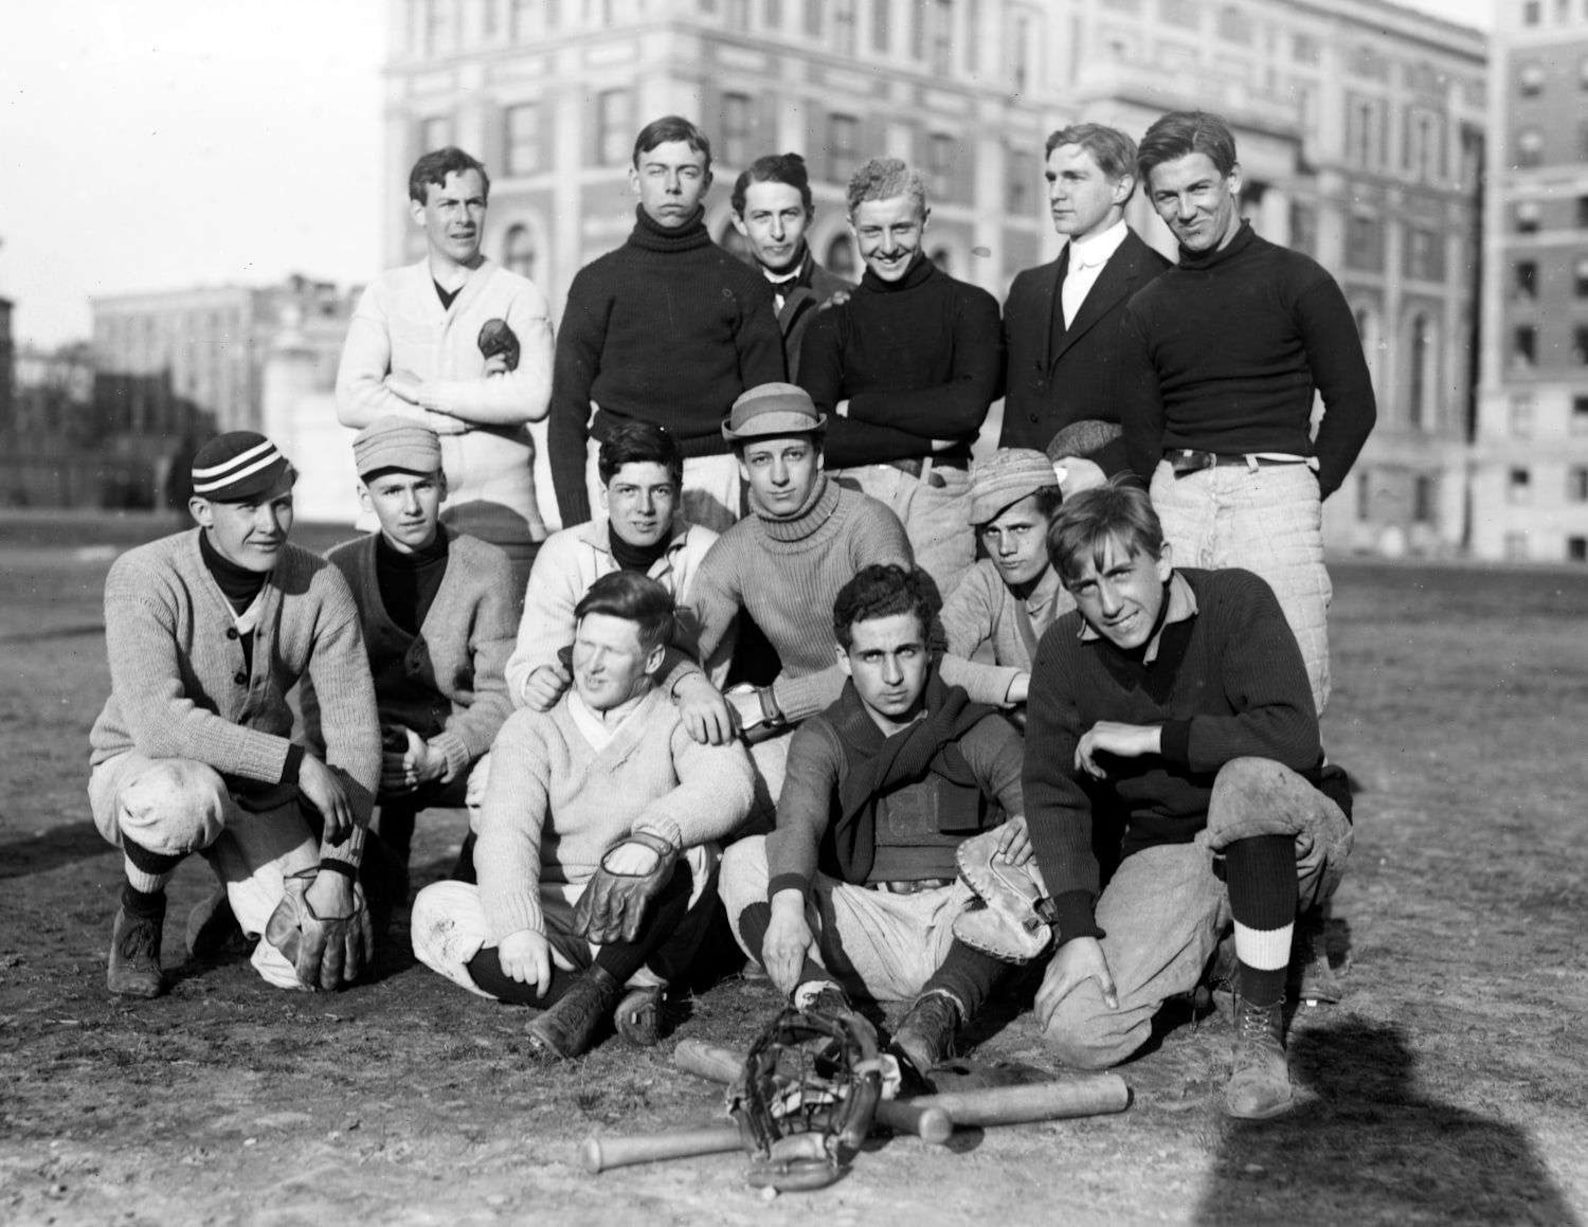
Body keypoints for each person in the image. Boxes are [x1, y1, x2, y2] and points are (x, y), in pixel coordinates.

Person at [1024, 482, 1352, 1119]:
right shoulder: (1064, 650)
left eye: (1123, 573)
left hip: (1286, 834)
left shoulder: (1235, 600)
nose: (1111, 603)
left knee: (1246, 780)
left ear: (1164, 558)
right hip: (1171, 852)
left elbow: (1294, 735)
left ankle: (1260, 1031)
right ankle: (1227, 956)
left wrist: (1151, 738)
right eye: (1087, 587)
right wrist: (1078, 931)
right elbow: (1051, 792)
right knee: (1078, 1029)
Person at [409, 572, 755, 1060]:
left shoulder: (675, 716)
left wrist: (653, 838)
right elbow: (508, 829)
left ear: (653, 659)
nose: (589, 666)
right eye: (584, 645)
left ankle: (599, 988)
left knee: (694, 853)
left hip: (642, 920)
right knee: (434, 908)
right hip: (556, 911)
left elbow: (730, 784)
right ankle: (604, 997)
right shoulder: (534, 725)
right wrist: (518, 926)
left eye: (610, 652)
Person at [88, 432, 380, 997]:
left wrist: (341, 868)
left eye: (280, 502)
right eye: (247, 507)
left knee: (311, 958)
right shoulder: (144, 573)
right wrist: (295, 764)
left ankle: (230, 903)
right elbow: (158, 723)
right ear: (202, 511)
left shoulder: (320, 583)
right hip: (143, 768)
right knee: (185, 799)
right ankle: (140, 915)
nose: (269, 523)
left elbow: (354, 733)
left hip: (255, 786)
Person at [719, 564, 1035, 1076]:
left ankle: (938, 1018)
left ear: (929, 650)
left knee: (1035, 840)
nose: (892, 677)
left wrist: (1026, 824)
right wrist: (787, 908)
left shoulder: (970, 723)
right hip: (866, 930)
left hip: (962, 930)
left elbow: (1033, 794)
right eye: (872, 656)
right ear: (844, 659)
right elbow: (798, 822)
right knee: (746, 861)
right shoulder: (825, 736)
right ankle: (831, 1015)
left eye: (906, 652)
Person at [1120, 111, 1377, 715]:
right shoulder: (1147, 307)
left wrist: (1310, 485)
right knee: (1180, 680)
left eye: (1199, 188)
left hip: (1276, 494)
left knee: (1288, 679)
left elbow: (1354, 404)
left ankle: (1283, 807)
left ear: (1233, 180)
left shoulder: (1300, 281)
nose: (1185, 210)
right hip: (1179, 497)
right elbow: (1142, 432)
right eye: (1167, 196)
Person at [677, 384, 1016, 802]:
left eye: (794, 455)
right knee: (730, 785)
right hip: (805, 720)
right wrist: (692, 684)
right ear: (743, 467)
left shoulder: (868, 524)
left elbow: (888, 659)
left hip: (889, 717)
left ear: (819, 456)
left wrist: (772, 703)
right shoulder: (735, 547)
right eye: (761, 459)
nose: (778, 476)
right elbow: (680, 645)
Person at [547, 116, 785, 532]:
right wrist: (576, 527)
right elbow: (566, 413)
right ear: (635, 178)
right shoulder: (596, 283)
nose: (672, 186)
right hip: (623, 474)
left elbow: (767, 414)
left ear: (707, 182)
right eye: (657, 171)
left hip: (715, 478)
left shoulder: (743, 285)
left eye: (687, 172)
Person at [336, 146, 554, 591]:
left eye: (474, 203)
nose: (463, 218)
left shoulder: (519, 293)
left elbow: (532, 397)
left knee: (501, 652)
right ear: (419, 211)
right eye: (448, 204)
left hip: (501, 515)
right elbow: (353, 399)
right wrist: (466, 411)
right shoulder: (386, 293)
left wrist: (425, 393)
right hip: (405, 521)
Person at [321, 417, 516, 885]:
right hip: (365, 752)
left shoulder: (487, 566)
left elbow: (502, 694)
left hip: (454, 749)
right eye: (391, 491)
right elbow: (318, 694)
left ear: (443, 486)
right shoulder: (338, 568)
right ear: (365, 498)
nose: (410, 506)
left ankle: (471, 879)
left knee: (509, 782)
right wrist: (363, 755)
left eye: (422, 486)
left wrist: (443, 752)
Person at [797, 157, 1002, 599]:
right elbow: (820, 436)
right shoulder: (831, 322)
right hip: (854, 497)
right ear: (852, 227)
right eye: (872, 231)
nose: (887, 246)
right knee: (856, 639)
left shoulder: (971, 306)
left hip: (940, 499)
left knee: (939, 638)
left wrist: (862, 408)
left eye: (902, 229)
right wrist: (926, 439)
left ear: (925, 221)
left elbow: (964, 412)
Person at [505, 420, 721, 711]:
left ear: (678, 494)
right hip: (584, 716)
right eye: (628, 491)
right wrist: (534, 681)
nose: (644, 507)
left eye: (659, 491)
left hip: (675, 716)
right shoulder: (564, 552)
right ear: (604, 494)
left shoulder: (708, 552)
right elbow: (533, 657)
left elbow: (712, 674)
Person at [999, 124, 1169, 457]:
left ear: (1121, 187)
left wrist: (1103, 470)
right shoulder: (1027, 286)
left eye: (1074, 178)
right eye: (1052, 178)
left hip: (1108, 498)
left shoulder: (1162, 282)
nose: (1055, 193)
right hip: (1021, 494)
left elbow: (1171, 417)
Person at [939, 447, 1094, 707]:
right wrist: (1015, 685)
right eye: (991, 532)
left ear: (1057, 520)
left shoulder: (1087, 574)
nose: (1005, 549)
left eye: (1020, 528)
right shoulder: (989, 580)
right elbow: (931, 660)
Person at [729, 152, 853, 381]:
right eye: (762, 217)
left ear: (809, 216)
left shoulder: (848, 299)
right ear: (739, 221)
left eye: (789, 214)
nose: (777, 232)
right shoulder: (722, 298)